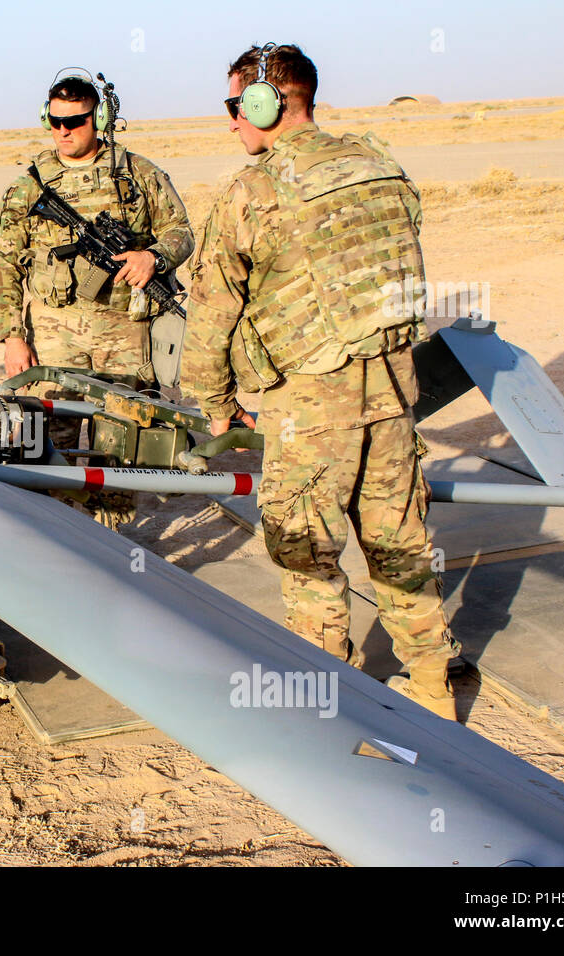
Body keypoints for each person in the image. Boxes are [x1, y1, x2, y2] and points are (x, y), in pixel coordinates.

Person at [181, 44, 462, 719]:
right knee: (400, 544)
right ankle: (433, 687)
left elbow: (212, 310)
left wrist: (215, 405)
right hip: (392, 390)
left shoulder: (253, 190)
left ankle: (327, 703)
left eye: (235, 105)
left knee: (306, 553)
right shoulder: (377, 163)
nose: (231, 120)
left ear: (264, 104)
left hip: (309, 405)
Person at [0, 72, 193, 528]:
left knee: (120, 442)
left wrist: (152, 257)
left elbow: (181, 232)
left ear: (98, 119)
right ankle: (57, 534)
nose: (64, 131)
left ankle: (111, 538)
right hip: (55, 336)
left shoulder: (138, 173)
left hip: (126, 334)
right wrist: (12, 337)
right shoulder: (30, 186)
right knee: (49, 441)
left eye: (75, 121)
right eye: (55, 122)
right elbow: (6, 265)